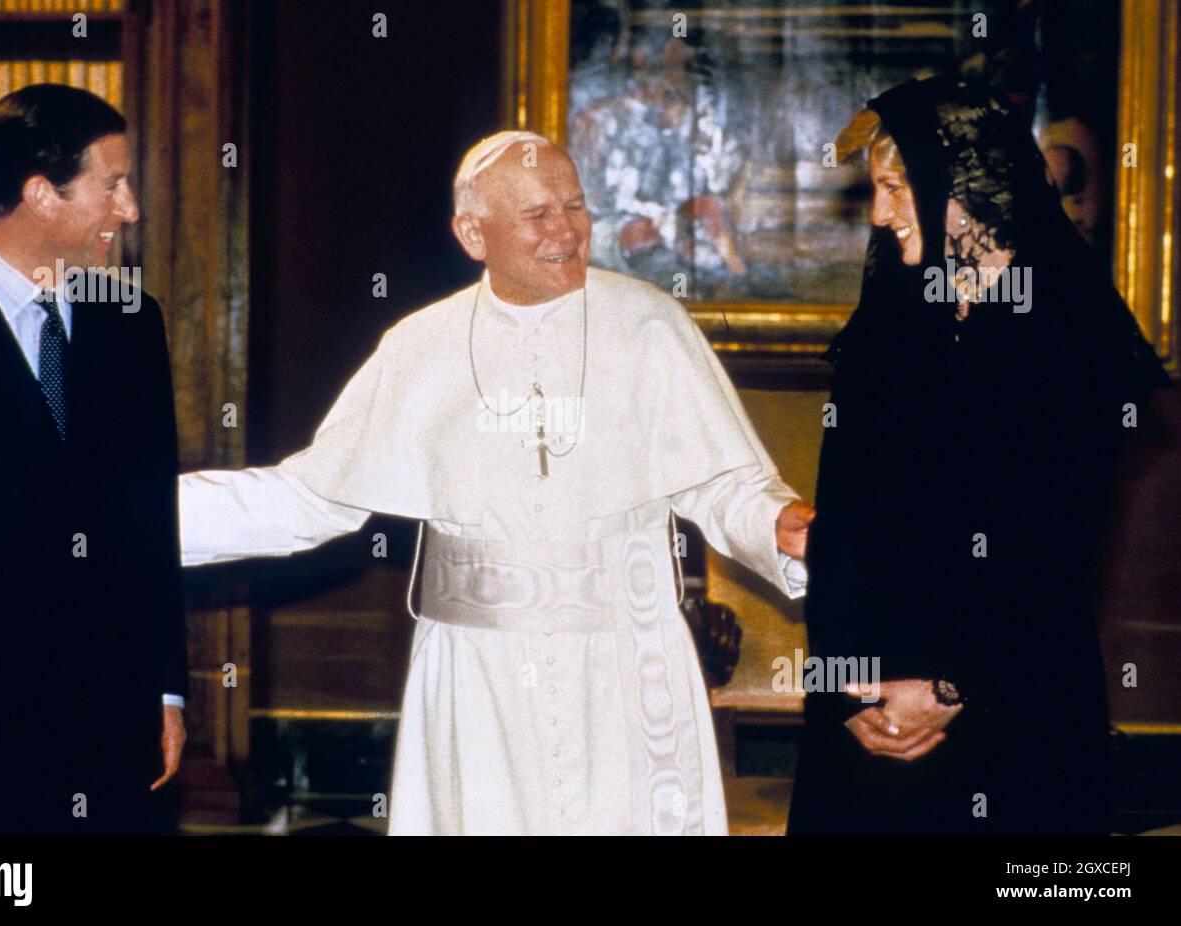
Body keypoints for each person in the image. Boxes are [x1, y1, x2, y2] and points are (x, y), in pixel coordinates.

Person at [179, 130, 814, 835]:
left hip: (626, 670)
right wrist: (129, 515)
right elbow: (311, 498)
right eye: (539, 215)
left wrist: (775, 523)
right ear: (472, 233)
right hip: (477, 679)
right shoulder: (422, 347)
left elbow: (724, 483)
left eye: (575, 207)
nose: (567, 231)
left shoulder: (649, 326)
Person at [788, 76, 1170, 836]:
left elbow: (1058, 553)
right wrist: (854, 683)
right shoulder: (889, 323)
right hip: (871, 722)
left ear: (958, 187)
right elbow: (848, 524)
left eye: (896, 187)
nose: (881, 212)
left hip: (1014, 713)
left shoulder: (1068, 329)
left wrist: (949, 689)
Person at [0, 85, 188, 836]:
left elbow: (153, 523)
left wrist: (168, 692)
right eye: (112, 184)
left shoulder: (132, 325)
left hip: (116, 732)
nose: (131, 209)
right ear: (40, 194)